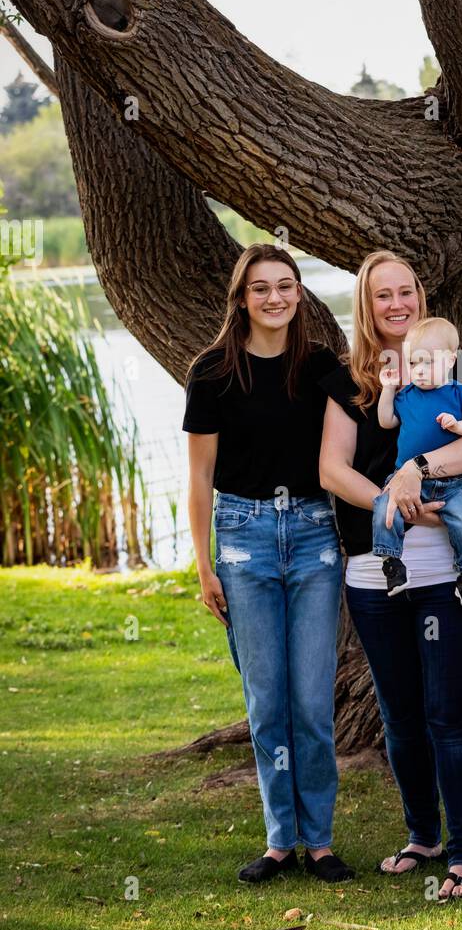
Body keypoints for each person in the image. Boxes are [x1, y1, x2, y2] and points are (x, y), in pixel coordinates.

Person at [319, 250, 462, 899]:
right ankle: (421, 834)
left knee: (449, 712)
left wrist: (417, 470)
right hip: (375, 569)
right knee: (398, 713)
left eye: (406, 293)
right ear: (366, 307)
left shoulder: (460, 367)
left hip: (448, 566)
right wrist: (389, 500)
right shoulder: (354, 379)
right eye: (382, 296)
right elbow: (332, 469)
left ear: (420, 299)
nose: (396, 305)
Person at [184, 243, 353, 885]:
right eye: (262, 288)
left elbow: (369, 423)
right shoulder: (211, 372)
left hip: (313, 537)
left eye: (286, 286)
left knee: (311, 703)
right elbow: (200, 479)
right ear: (243, 298)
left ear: (299, 294)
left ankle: (320, 841)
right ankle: (279, 839)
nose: (276, 298)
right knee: (266, 703)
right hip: (241, 540)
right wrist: (204, 568)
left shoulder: (318, 369)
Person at [374, 315, 462, 605]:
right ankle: (391, 562)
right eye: (413, 364)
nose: (419, 371)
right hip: (405, 479)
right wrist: (387, 390)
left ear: (450, 361)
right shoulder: (407, 395)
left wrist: (457, 426)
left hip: (449, 484)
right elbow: (386, 422)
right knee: (384, 507)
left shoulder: (459, 392)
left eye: (427, 363)